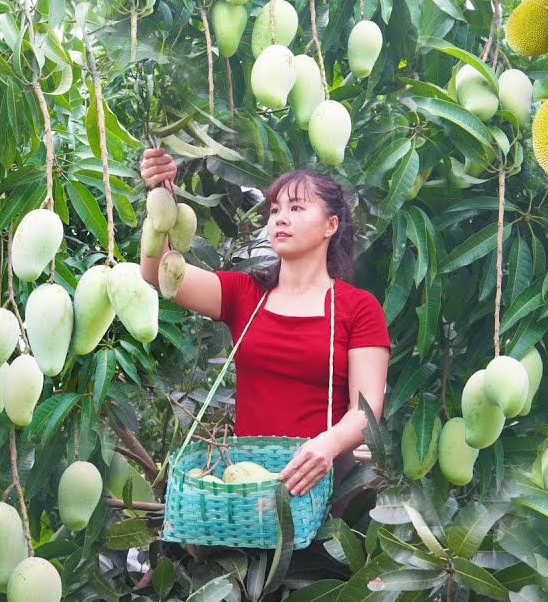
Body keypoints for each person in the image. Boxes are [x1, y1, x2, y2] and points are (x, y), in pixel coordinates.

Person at [137, 147, 391, 503]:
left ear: (330, 226)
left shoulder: (358, 308)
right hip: (245, 489)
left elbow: (364, 414)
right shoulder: (245, 293)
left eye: (296, 208)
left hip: (323, 490)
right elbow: (157, 273)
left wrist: (326, 447)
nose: (280, 219)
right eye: (274, 210)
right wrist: (161, 197)